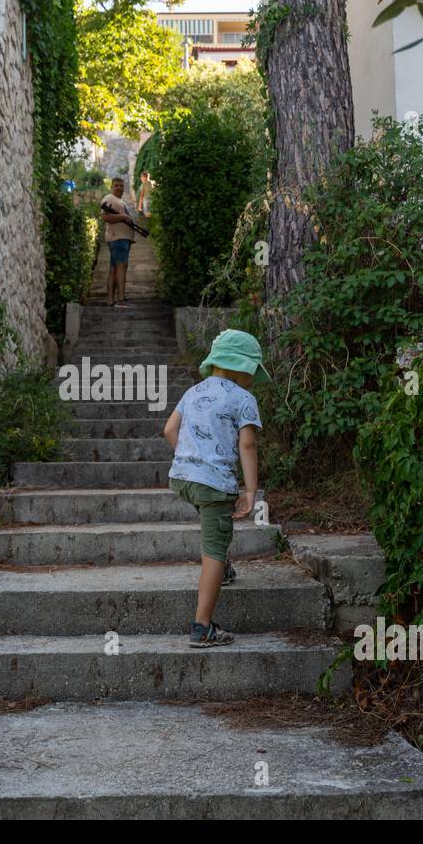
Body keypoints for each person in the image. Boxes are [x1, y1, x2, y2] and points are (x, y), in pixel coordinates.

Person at [162, 330, 267, 648]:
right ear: (242, 368)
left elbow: (169, 429)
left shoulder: (193, 391)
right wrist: (251, 491)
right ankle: (202, 627)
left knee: (213, 526)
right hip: (215, 485)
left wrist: (188, 459)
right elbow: (247, 445)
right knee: (214, 548)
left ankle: (223, 567)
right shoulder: (243, 399)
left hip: (182, 479)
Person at [99, 177, 137, 307]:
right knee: (121, 267)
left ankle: (110, 300)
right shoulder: (109, 198)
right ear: (111, 187)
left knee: (114, 269)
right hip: (118, 238)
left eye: (121, 186)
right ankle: (121, 300)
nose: (119, 188)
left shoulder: (119, 200)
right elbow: (105, 216)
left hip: (120, 239)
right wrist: (123, 216)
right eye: (116, 185)